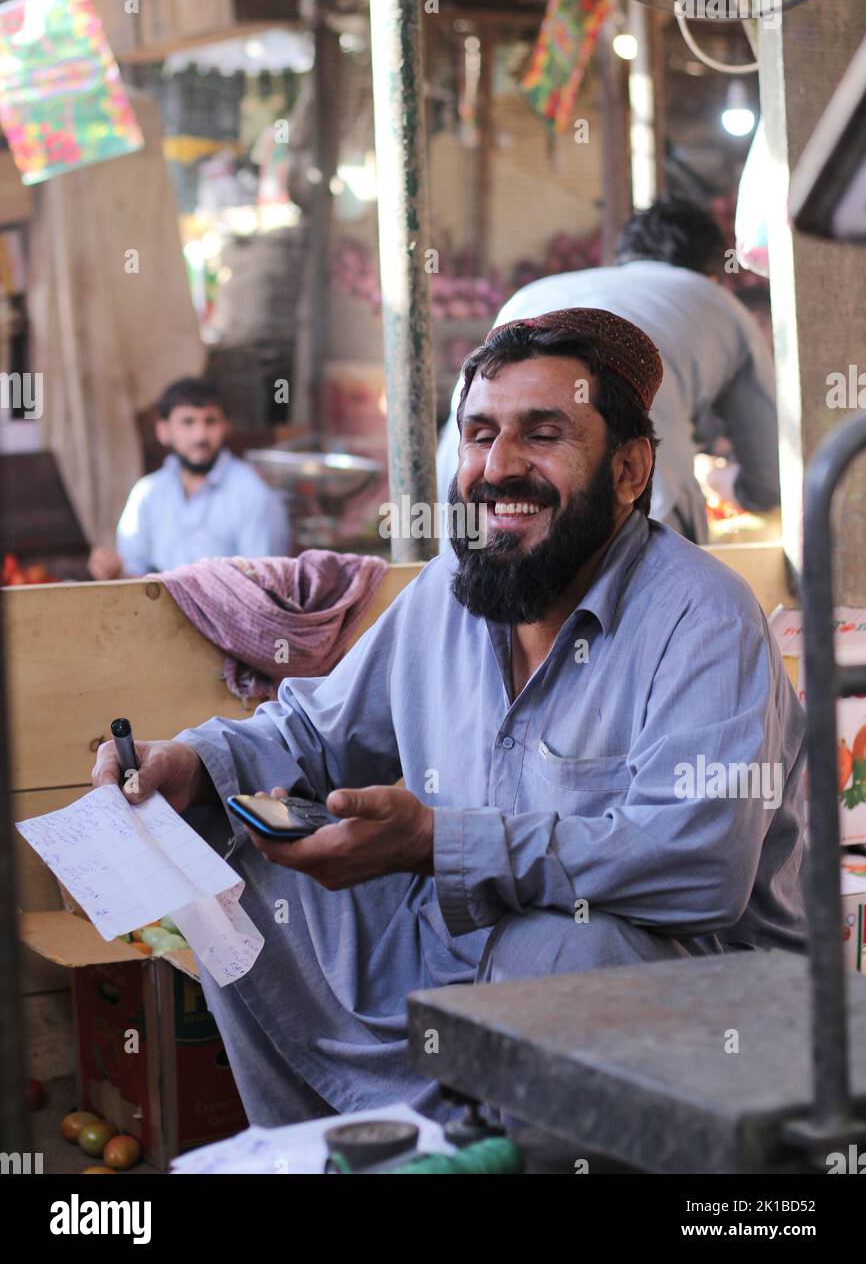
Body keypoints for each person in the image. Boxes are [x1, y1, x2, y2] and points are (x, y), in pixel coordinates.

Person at [92, 309, 805, 1127]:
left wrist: (441, 843)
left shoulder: (703, 618)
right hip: (472, 954)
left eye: (543, 435)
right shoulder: (449, 593)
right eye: (477, 435)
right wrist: (191, 760)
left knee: (562, 946)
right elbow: (311, 739)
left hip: (701, 1002)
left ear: (630, 468)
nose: (498, 468)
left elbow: (702, 868)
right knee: (229, 863)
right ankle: (326, 1148)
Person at [436, 195, 780, 543]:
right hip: (633, 508)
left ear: (624, 259)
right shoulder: (720, 303)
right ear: (712, 274)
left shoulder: (534, 293)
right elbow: (769, 474)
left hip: (470, 495)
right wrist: (724, 483)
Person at [88, 377, 291, 579]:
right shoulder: (147, 493)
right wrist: (114, 573)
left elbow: (265, 587)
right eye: (187, 422)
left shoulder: (253, 494)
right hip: (155, 609)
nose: (200, 436)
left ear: (225, 427)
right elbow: (134, 574)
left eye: (210, 422)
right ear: (163, 431)